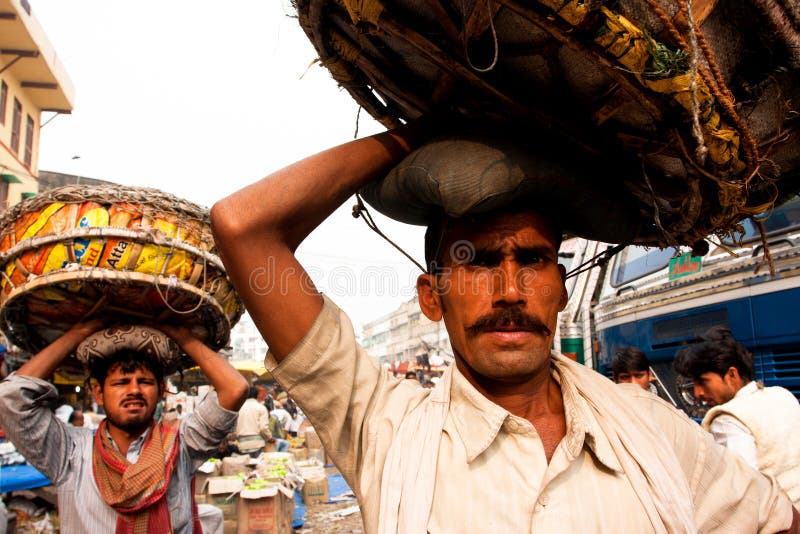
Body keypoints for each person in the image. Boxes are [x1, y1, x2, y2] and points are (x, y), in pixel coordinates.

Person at [211, 122, 798, 532]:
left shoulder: (653, 432)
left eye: (534, 260)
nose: (511, 290)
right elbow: (243, 227)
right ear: (432, 297)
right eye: (478, 261)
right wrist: (422, 133)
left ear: (562, 289)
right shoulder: (383, 428)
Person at [0, 322, 248, 533]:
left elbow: (234, 389)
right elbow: (10, 396)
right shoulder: (70, 452)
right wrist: (80, 331)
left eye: (145, 382)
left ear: (161, 392)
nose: (134, 391)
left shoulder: (182, 445)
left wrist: (181, 336)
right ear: (98, 394)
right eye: (120, 382)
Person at [674, 326, 800, 506]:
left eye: (703, 381)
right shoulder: (782, 395)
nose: (697, 392)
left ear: (732, 374)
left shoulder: (728, 419)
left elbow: (743, 491)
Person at [235, 386, 273, 456]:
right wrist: (270, 438)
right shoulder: (261, 407)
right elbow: (263, 428)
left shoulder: (238, 408)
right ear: (257, 395)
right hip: (257, 444)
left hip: (242, 444)